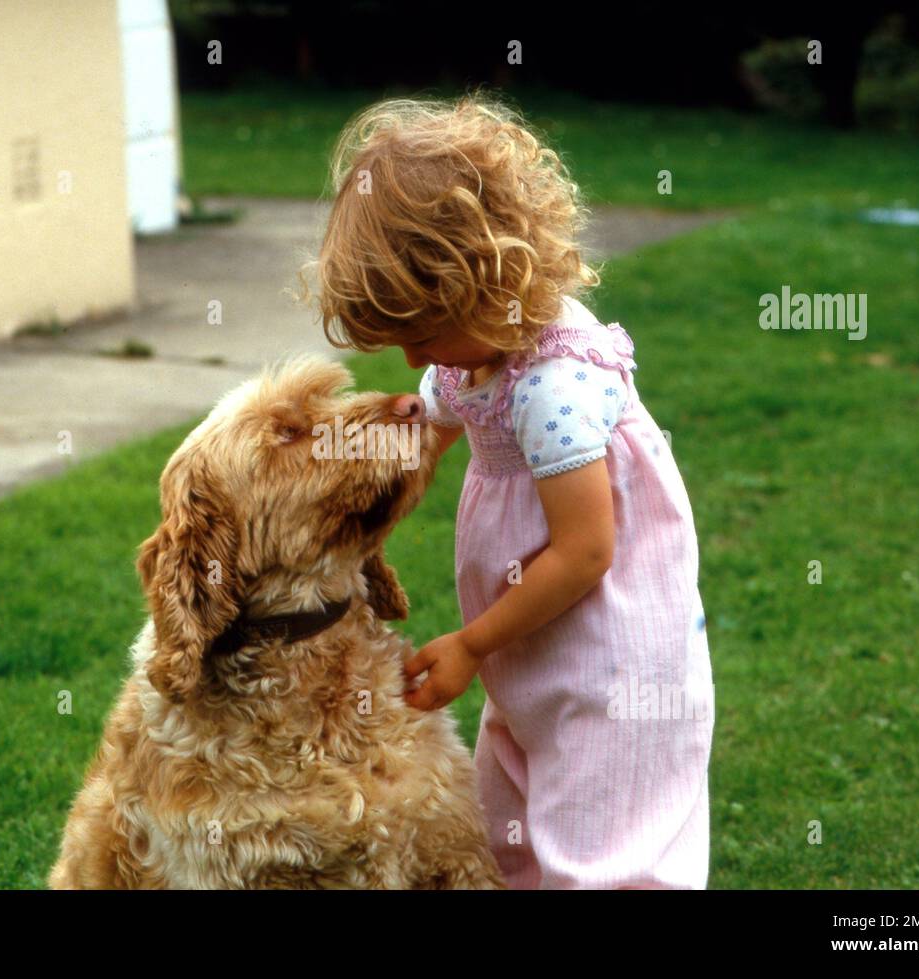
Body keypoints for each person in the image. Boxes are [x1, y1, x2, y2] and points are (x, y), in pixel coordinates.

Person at [303, 93, 714, 889]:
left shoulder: (554, 388)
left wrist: (472, 643)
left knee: (604, 856)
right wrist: (326, 477)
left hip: (616, 668)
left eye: (416, 335)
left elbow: (587, 551)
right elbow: (423, 425)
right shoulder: (478, 355)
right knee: (513, 833)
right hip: (541, 651)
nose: (410, 358)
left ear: (478, 289)